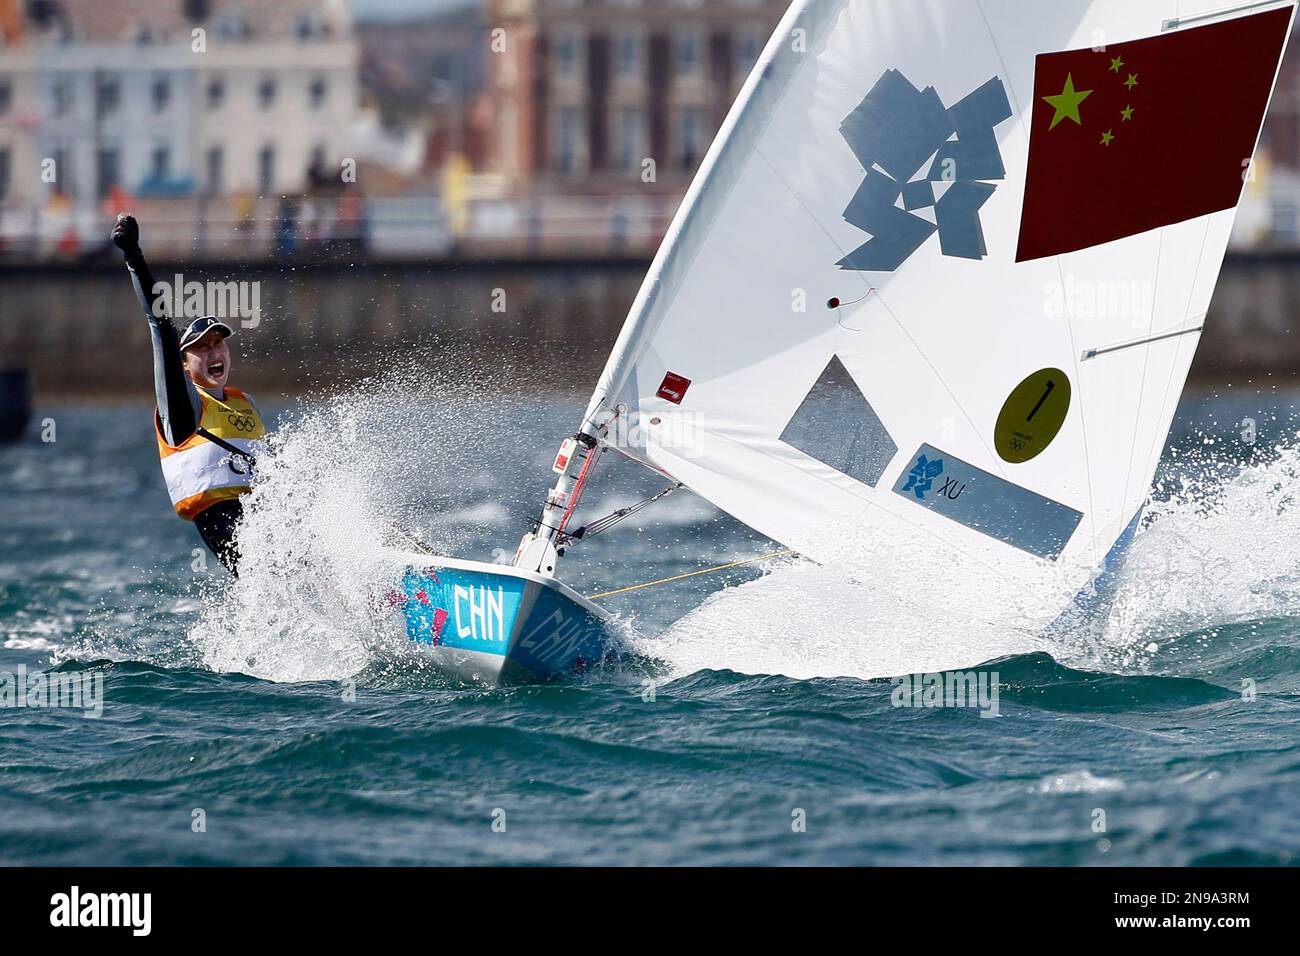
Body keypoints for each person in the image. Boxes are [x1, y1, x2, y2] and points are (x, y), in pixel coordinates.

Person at [111, 213, 265, 574]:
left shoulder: (245, 403)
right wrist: (134, 256)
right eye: (202, 348)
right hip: (228, 527)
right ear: (183, 364)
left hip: (269, 514)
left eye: (219, 344)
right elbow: (160, 327)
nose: (215, 352)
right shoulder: (183, 409)